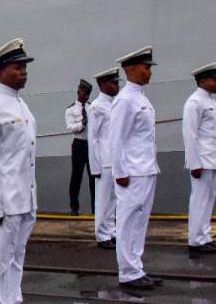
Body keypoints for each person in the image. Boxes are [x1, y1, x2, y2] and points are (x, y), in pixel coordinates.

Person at [0, 38, 38, 304]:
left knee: (18, 255)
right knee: (2, 260)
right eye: (17, 66)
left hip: (25, 196)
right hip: (6, 200)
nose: (23, 71)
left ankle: (14, 298)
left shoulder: (20, 105)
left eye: (24, 66)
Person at [110, 46, 161, 289]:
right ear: (131, 69)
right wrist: (119, 173)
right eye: (146, 67)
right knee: (128, 221)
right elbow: (116, 139)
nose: (149, 71)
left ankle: (136, 268)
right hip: (131, 172)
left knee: (140, 223)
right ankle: (128, 272)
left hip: (146, 169)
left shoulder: (141, 97)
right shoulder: (125, 100)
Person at [183, 62, 216, 257]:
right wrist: (194, 163)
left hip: (214, 159)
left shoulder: (212, 102)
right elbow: (189, 134)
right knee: (199, 200)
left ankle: (205, 237)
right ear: (202, 81)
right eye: (215, 80)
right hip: (201, 161)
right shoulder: (194, 102)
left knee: (209, 200)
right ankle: (195, 240)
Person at [88, 68, 120, 250]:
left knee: (114, 199)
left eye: (117, 82)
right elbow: (93, 138)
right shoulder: (97, 107)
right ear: (102, 84)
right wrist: (95, 166)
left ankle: (112, 231)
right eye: (113, 82)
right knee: (103, 199)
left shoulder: (115, 104)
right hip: (104, 160)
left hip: (115, 160)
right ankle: (102, 235)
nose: (116, 86)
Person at [65, 79, 95, 215]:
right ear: (78, 91)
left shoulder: (91, 107)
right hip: (78, 144)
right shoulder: (70, 109)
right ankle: (74, 208)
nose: (86, 96)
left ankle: (96, 208)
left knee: (93, 177)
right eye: (84, 93)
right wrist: (82, 123)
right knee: (76, 177)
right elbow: (70, 128)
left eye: (88, 94)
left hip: (91, 145)